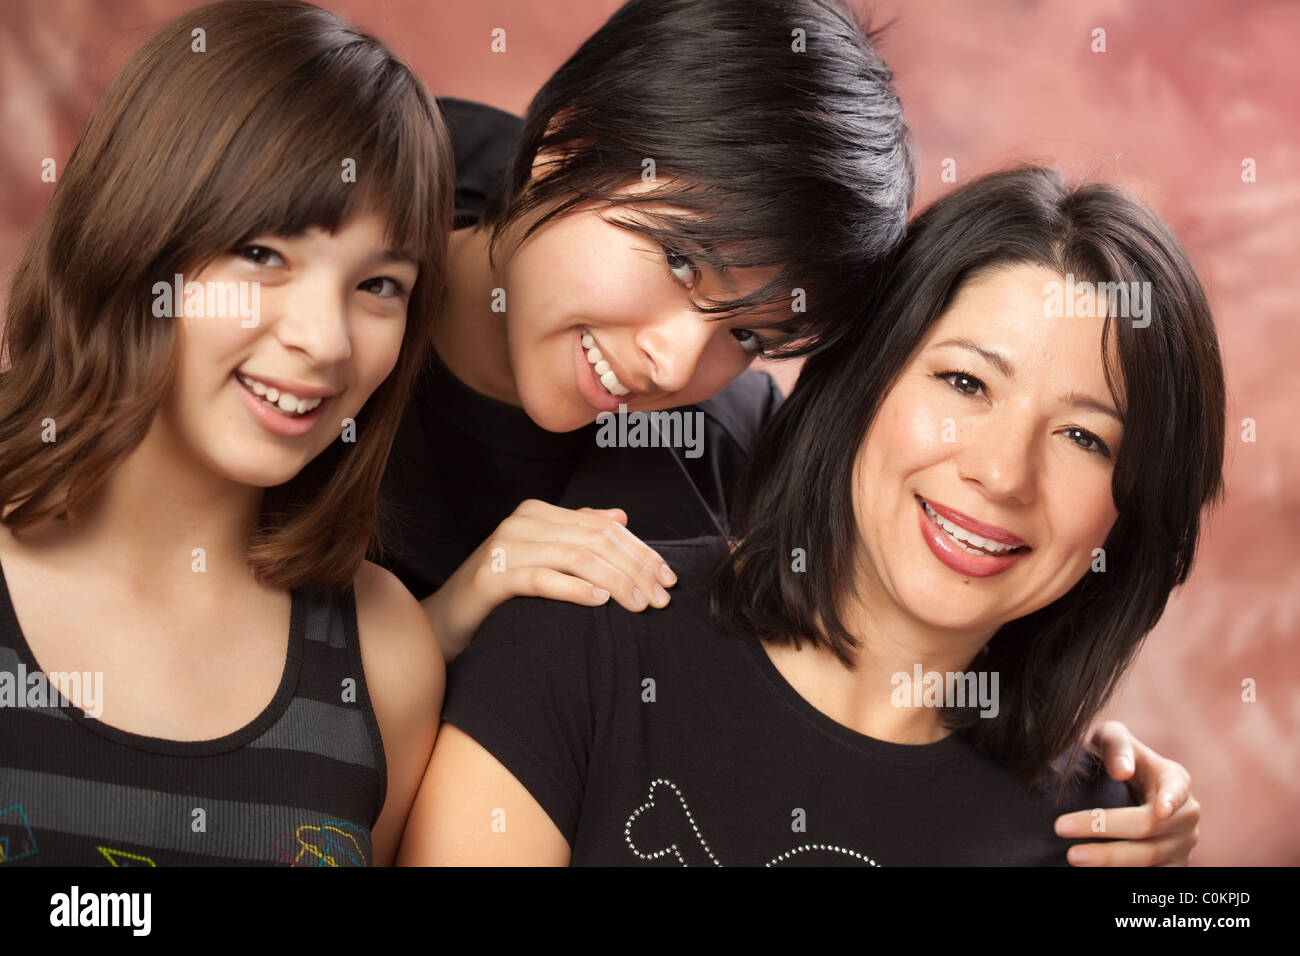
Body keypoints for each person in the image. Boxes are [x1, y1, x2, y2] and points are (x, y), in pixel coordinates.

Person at [400, 167, 1218, 866]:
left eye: (1084, 437)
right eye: (965, 384)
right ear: (865, 381)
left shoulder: (1104, 835)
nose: (1003, 474)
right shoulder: (576, 642)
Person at [0, 0, 451, 866]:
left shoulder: (387, 655)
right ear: (135, 232)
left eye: (381, 285)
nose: (324, 340)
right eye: (262, 254)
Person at [377, 0, 915, 659]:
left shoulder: (731, 462)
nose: (676, 367)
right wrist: (439, 624)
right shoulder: (319, 217)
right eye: (682, 263)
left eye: (749, 337)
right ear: (566, 147)